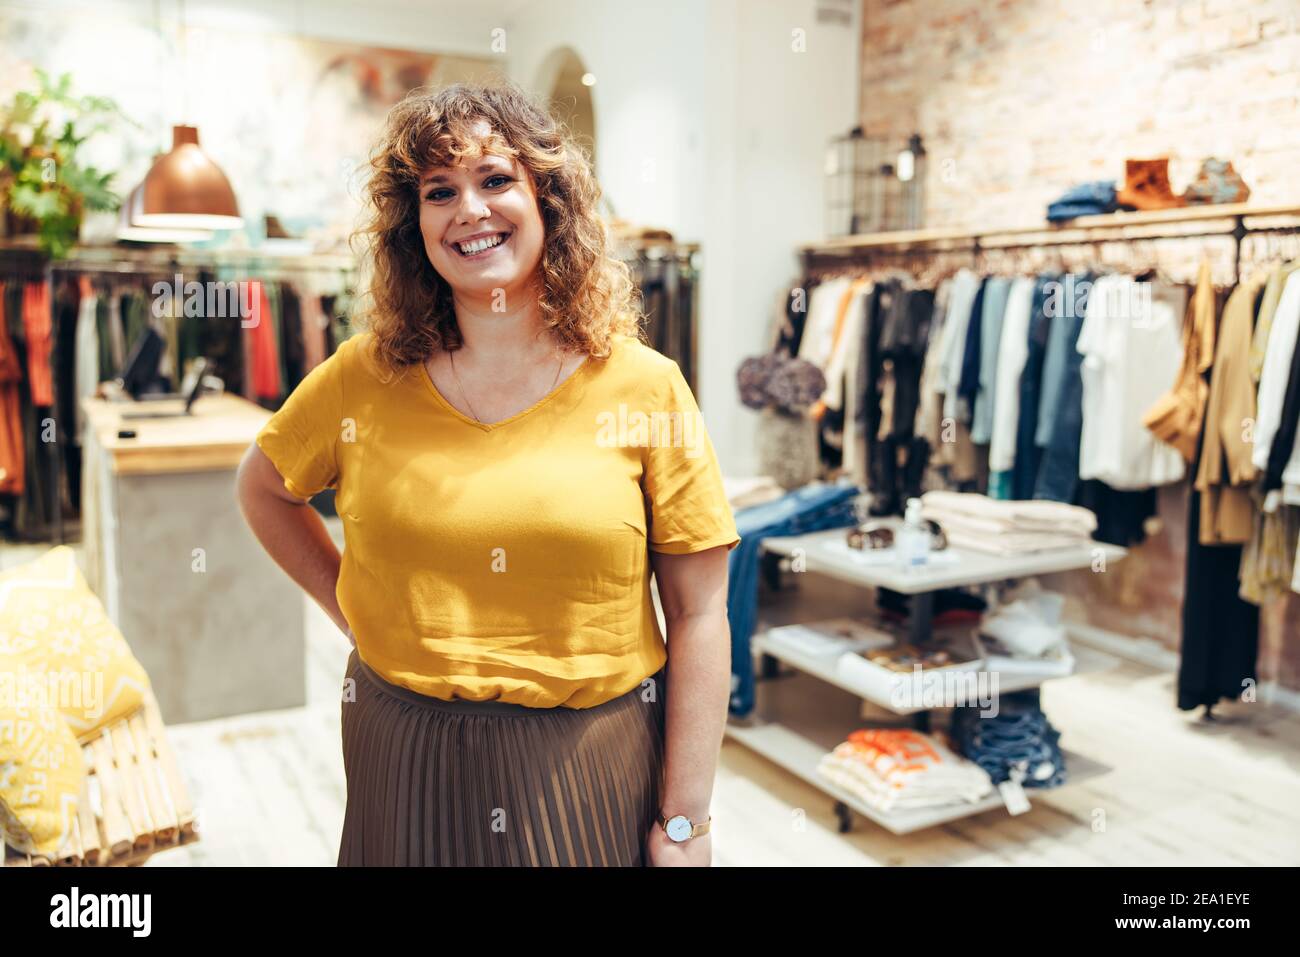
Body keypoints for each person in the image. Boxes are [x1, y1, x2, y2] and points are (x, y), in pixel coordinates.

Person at [235, 81, 740, 866]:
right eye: (440, 192)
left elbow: (702, 614)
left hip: (587, 766)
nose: (469, 209)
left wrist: (686, 821)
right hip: (400, 750)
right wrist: (356, 609)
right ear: (417, 227)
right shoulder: (360, 377)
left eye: (496, 180)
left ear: (550, 199)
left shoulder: (644, 386)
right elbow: (264, 488)